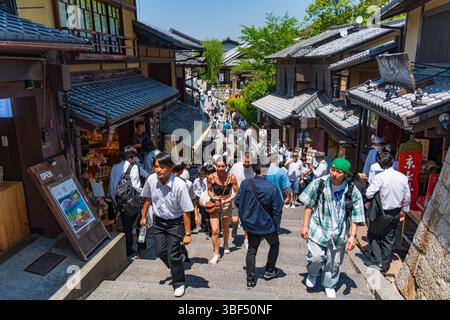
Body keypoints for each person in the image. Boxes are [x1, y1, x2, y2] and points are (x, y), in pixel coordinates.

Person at [299, 158, 366, 299]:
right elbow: (309, 205)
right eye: (332, 169)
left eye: (338, 171)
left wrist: (352, 236)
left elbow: (356, 216)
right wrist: (305, 226)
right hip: (318, 227)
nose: (334, 173)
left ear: (345, 174)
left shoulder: (353, 190)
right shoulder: (320, 183)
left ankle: (329, 285)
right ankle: (313, 272)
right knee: (316, 257)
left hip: (339, 231)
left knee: (334, 262)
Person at [140, 152, 194, 298]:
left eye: (162, 167)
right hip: (159, 222)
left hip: (175, 223)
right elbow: (147, 199)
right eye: (156, 166)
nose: (158, 170)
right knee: (159, 252)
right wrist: (143, 216)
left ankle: (179, 283)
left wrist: (188, 234)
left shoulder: (179, 185)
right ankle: (176, 266)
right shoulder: (151, 179)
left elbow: (186, 211)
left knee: (173, 254)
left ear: (171, 168)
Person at [235, 163, 283, 290]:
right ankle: (270, 269)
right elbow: (277, 209)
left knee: (252, 249)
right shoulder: (272, 187)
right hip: (267, 225)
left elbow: (237, 202)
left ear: (253, 169)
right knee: (274, 244)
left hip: (251, 224)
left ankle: (250, 280)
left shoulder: (245, 183)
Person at [365, 152, 410, 275]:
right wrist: (404, 210)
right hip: (396, 211)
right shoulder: (402, 177)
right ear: (392, 162)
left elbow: (369, 193)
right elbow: (407, 196)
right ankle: (385, 266)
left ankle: (378, 261)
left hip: (382, 212)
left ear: (379, 163)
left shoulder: (380, 177)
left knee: (373, 234)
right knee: (389, 238)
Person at [109, 146, 148, 257]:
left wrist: (116, 203)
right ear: (131, 157)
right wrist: (144, 195)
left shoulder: (115, 167)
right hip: (135, 202)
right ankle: (141, 247)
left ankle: (128, 249)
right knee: (141, 226)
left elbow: (112, 188)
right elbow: (136, 185)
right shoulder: (134, 167)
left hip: (122, 203)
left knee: (127, 227)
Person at [207, 159, 239, 264]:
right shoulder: (211, 177)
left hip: (226, 203)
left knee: (225, 226)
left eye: (223, 166)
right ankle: (216, 253)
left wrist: (229, 199)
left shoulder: (231, 177)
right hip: (215, 204)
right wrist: (214, 197)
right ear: (215, 166)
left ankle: (225, 243)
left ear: (226, 166)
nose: (221, 168)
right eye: (219, 166)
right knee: (215, 230)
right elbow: (208, 190)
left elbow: (236, 191)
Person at [229, 152, 256, 243]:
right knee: (235, 219)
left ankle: (246, 239)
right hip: (235, 195)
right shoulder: (236, 166)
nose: (247, 164)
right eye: (245, 161)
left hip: (248, 197)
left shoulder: (254, 169)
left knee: (247, 220)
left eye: (249, 162)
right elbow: (229, 178)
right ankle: (235, 227)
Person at [265, 158, 290, 231]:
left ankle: (267, 228)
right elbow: (285, 187)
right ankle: (276, 229)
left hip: (266, 196)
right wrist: (287, 197)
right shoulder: (282, 172)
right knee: (277, 213)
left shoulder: (265, 171)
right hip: (279, 197)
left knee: (267, 213)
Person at [193, 166, 212, 239]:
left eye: (203, 175)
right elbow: (194, 189)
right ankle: (204, 226)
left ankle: (207, 228)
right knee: (202, 212)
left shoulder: (206, 181)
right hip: (198, 197)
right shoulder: (196, 181)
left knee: (206, 213)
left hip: (205, 197)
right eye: (200, 175)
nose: (202, 176)